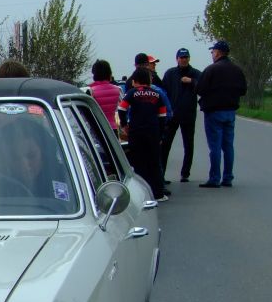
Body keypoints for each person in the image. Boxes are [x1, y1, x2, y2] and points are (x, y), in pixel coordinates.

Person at [196, 40, 247, 188]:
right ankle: (228, 177)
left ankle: (214, 178)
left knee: (215, 147)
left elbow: (199, 89)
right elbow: (243, 90)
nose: (212, 54)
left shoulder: (212, 69)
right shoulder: (237, 70)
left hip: (214, 112)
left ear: (218, 52)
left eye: (213, 51)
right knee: (228, 145)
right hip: (230, 111)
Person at [117, 67, 169, 201]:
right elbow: (163, 115)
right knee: (154, 163)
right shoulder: (157, 94)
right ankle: (158, 193)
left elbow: (122, 109)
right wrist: (161, 134)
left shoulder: (131, 93)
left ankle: (141, 195)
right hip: (153, 131)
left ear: (135, 81)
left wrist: (124, 125)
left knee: (138, 163)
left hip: (136, 132)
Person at [161, 48, 203, 182]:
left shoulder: (195, 73)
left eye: (186, 57)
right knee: (166, 144)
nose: (183, 59)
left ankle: (185, 173)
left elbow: (203, 88)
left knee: (188, 144)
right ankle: (161, 173)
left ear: (189, 58)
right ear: (177, 59)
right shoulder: (170, 73)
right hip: (172, 114)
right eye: (181, 57)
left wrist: (191, 81)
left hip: (188, 114)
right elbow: (163, 92)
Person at [87, 59, 122, 135]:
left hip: (97, 129)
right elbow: (123, 108)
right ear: (109, 73)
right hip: (113, 129)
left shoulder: (90, 91)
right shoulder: (118, 89)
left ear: (94, 74)